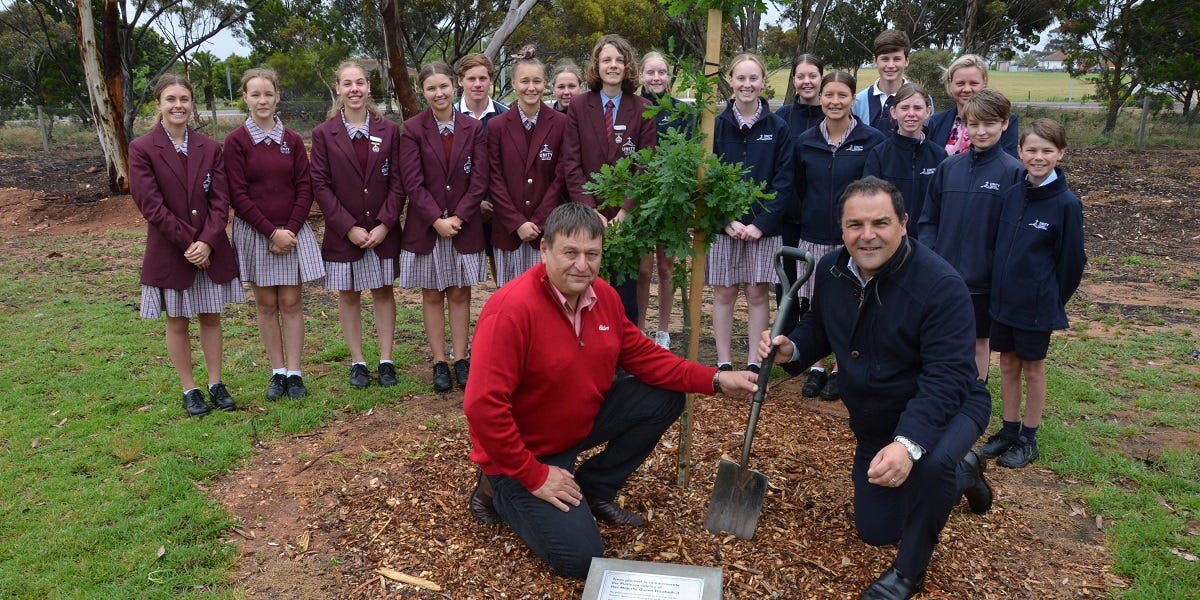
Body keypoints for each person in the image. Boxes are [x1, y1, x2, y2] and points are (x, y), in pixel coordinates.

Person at [464, 202, 759, 579]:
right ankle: (494, 488)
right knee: (581, 560)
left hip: (576, 422)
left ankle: (594, 488)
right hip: (527, 449)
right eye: (570, 253)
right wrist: (534, 475)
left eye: (592, 254)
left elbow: (645, 357)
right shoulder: (510, 311)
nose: (582, 265)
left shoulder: (602, 296)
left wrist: (716, 380)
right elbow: (482, 407)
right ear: (544, 250)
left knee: (662, 395)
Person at [759, 177, 994, 600]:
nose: (867, 236)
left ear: (903, 224)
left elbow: (947, 378)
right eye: (854, 225)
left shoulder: (940, 285)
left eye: (880, 223)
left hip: (951, 406)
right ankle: (965, 472)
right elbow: (822, 326)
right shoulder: (832, 269)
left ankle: (909, 572)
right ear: (841, 228)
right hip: (876, 422)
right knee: (876, 531)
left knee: (933, 464)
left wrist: (908, 444)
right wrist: (791, 347)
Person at [129, 74, 244, 417]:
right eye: (171, 99)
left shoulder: (210, 147)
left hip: (209, 249)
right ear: (159, 104)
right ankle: (189, 388)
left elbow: (220, 200)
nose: (178, 105)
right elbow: (150, 205)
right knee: (177, 320)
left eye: (184, 99)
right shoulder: (142, 149)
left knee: (211, 316)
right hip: (171, 249)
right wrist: (189, 244)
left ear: (192, 104)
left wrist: (207, 242)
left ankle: (215, 382)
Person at [979, 118, 1086, 468]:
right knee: (1007, 363)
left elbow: (1071, 262)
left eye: (1047, 151)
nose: (1038, 157)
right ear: (1020, 151)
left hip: (1036, 306)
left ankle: (1029, 437)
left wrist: (1050, 298)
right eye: (1032, 150)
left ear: (1061, 153)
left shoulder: (1067, 204)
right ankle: (1008, 431)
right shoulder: (1011, 195)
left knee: (1032, 368)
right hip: (1003, 301)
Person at [225, 67, 324, 401]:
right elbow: (237, 194)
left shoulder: (292, 140)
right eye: (255, 94)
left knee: (292, 302)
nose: (262, 100)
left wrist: (289, 230)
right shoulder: (236, 141)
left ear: (277, 96)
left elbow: (304, 186)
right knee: (266, 304)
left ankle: (295, 373)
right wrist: (270, 232)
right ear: (245, 98)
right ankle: (277, 372)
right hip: (256, 234)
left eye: (268, 94)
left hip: (291, 233)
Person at [310, 60, 405, 389]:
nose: (354, 89)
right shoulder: (324, 134)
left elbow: (398, 183)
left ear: (369, 87)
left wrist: (385, 224)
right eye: (347, 83)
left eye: (360, 83)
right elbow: (320, 185)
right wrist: (348, 227)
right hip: (343, 232)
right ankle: (358, 361)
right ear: (337, 88)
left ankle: (386, 358)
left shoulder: (388, 130)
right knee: (348, 295)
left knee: (383, 292)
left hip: (381, 231)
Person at [919, 88, 1024, 380]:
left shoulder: (1014, 173)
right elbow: (929, 219)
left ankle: (974, 397)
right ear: (965, 125)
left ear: (1004, 123)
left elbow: (1013, 233)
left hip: (983, 282)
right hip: (944, 276)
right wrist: (932, 259)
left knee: (979, 342)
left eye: (989, 124)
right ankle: (942, 392)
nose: (981, 131)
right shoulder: (948, 167)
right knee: (941, 338)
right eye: (973, 124)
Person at [398, 61, 490, 393]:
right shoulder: (411, 129)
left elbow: (479, 180)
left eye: (444, 86)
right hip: (428, 226)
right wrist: (437, 219)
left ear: (455, 86)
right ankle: (439, 361)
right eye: (431, 88)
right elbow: (412, 181)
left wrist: (459, 217)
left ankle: (461, 358)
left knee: (461, 291)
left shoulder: (473, 127)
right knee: (433, 293)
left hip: (464, 225)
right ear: (423, 92)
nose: (439, 93)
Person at [793, 71, 885, 401]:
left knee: (850, 304)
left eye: (842, 95)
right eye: (829, 95)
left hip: (853, 237)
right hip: (813, 233)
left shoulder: (871, 139)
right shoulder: (805, 140)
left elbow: (872, 188)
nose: (835, 101)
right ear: (820, 97)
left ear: (852, 100)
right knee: (814, 302)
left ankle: (841, 368)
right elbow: (800, 187)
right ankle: (817, 366)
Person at [561, 33, 658, 325]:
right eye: (606, 60)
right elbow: (571, 163)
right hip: (588, 216)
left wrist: (625, 211)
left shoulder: (643, 108)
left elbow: (646, 164)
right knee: (585, 285)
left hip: (627, 218)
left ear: (628, 66)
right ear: (596, 65)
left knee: (625, 291)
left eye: (619, 60)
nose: (613, 65)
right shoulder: (579, 106)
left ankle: (624, 361)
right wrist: (590, 210)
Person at [709, 53, 792, 373]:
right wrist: (725, 221)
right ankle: (724, 362)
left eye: (753, 78)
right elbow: (707, 179)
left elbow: (784, 181)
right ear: (730, 81)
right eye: (740, 78)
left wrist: (760, 224)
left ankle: (756, 363)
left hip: (763, 229)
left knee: (758, 293)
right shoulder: (715, 126)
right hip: (725, 228)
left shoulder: (778, 127)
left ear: (763, 82)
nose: (747, 84)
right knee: (725, 292)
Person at [487, 57, 567, 286]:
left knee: (547, 296)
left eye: (537, 81)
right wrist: (517, 222)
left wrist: (540, 221)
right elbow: (494, 178)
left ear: (546, 84)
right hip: (508, 231)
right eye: (524, 81)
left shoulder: (561, 124)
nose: (531, 88)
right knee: (511, 298)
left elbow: (560, 178)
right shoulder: (497, 126)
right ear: (513, 83)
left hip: (547, 229)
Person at [636, 51, 693, 349]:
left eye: (661, 72)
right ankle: (640, 329)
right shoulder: (634, 108)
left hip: (673, 200)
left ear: (669, 76)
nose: (656, 78)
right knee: (643, 269)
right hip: (642, 200)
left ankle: (663, 330)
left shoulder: (684, 112)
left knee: (667, 266)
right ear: (641, 75)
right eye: (650, 72)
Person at [774, 53, 824, 335]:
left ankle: (813, 332)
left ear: (821, 78)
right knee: (787, 275)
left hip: (818, 212)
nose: (807, 82)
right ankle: (787, 331)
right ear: (794, 80)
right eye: (801, 76)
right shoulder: (782, 117)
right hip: (788, 212)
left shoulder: (832, 112)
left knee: (817, 277)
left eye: (812, 76)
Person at [863, 83, 947, 240]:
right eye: (905, 108)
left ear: (928, 112)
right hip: (889, 240)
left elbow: (943, 206)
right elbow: (869, 201)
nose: (911, 114)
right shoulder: (879, 154)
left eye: (917, 108)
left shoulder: (939, 156)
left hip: (926, 243)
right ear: (894, 112)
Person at [926, 54, 1018, 157]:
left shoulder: (1003, 120)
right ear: (950, 84)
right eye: (960, 83)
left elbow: (1008, 162)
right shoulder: (936, 121)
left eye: (974, 83)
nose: (967, 89)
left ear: (984, 83)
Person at [851, 30, 919, 133]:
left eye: (897, 59)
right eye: (885, 59)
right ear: (875, 61)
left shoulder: (922, 100)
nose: (891, 65)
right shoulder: (858, 102)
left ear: (907, 60)